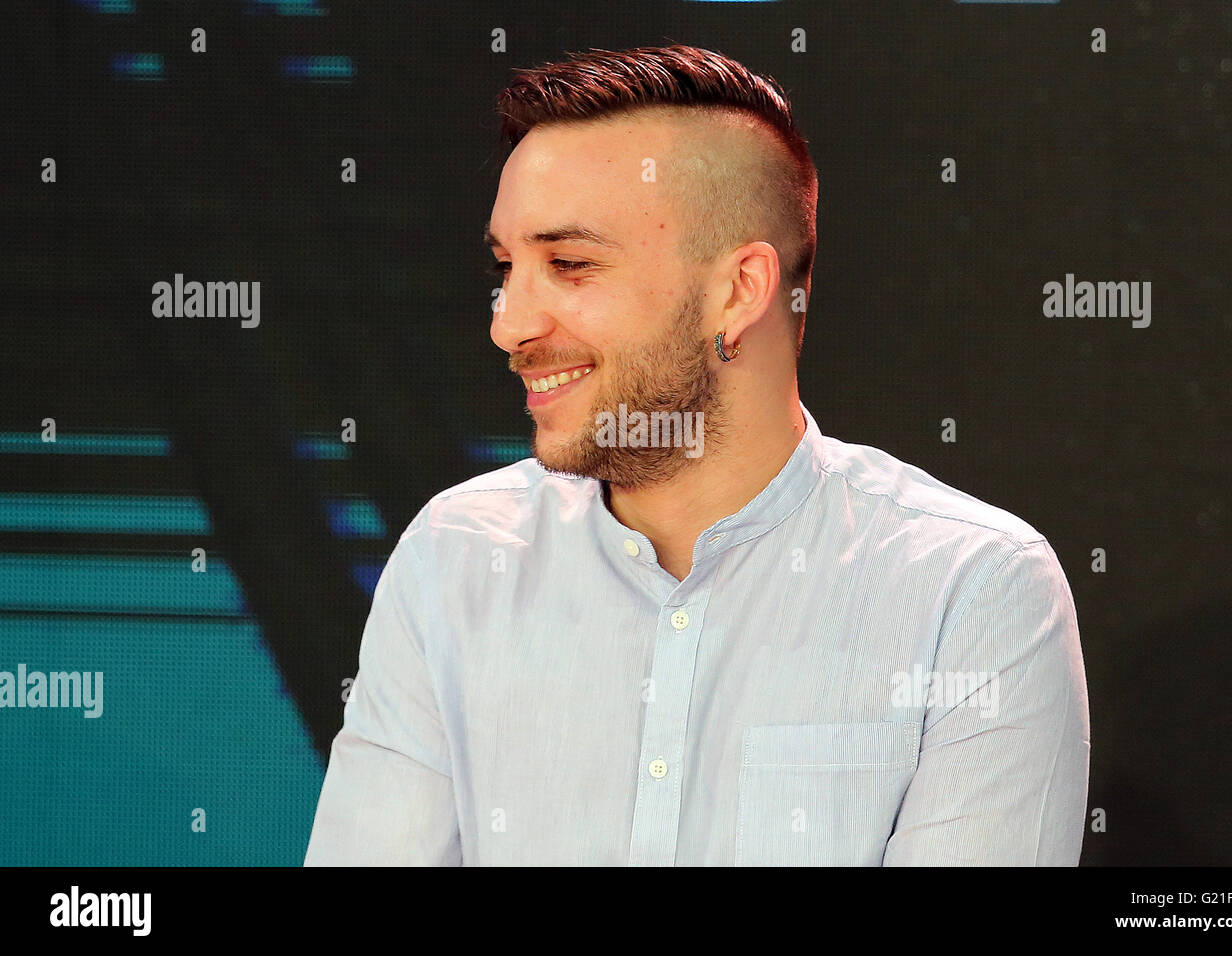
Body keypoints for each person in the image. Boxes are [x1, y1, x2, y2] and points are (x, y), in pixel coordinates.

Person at [304, 44, 1089, 866]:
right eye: (508, 266)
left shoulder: (971, 591)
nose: (509, 325)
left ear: (741, 290)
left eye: (569, 265)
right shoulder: (456, 557)